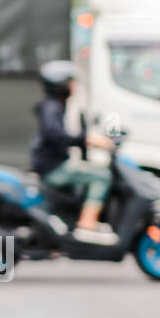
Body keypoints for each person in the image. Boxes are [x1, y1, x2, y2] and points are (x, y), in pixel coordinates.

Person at [29, 60, 117, 244]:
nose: (73, 86)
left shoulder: (54, 106)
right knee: (102, 175)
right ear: (60, 85)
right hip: (53, 167)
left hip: (53, 163)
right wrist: (85, 139)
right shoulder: (52, 108)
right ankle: (87, 223)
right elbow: (56, 135)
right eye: (70, 82)